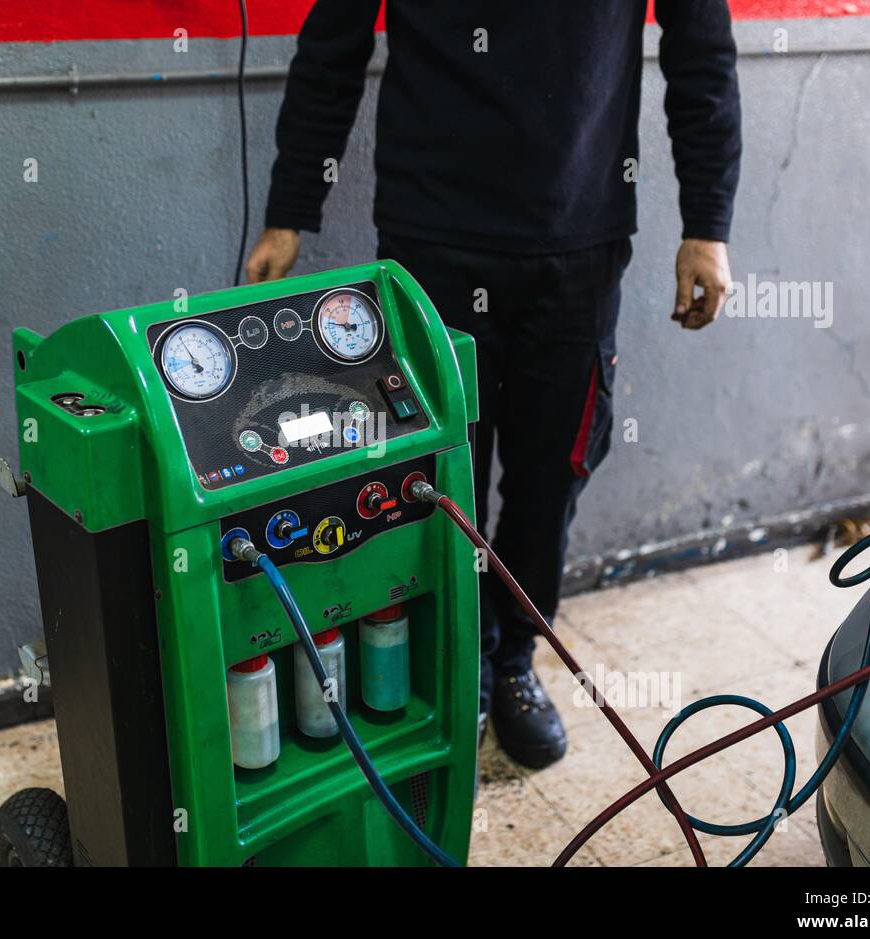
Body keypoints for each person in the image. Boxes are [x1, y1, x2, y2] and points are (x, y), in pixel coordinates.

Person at [246, 2, 741, 769]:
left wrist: (707, 223)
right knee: (440, 482)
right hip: (432, 237)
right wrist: (289, 212)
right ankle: (459, 662)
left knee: (552, 479)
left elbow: (701, 52)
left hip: (576, 240)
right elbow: (330, 47)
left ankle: (515, 658)